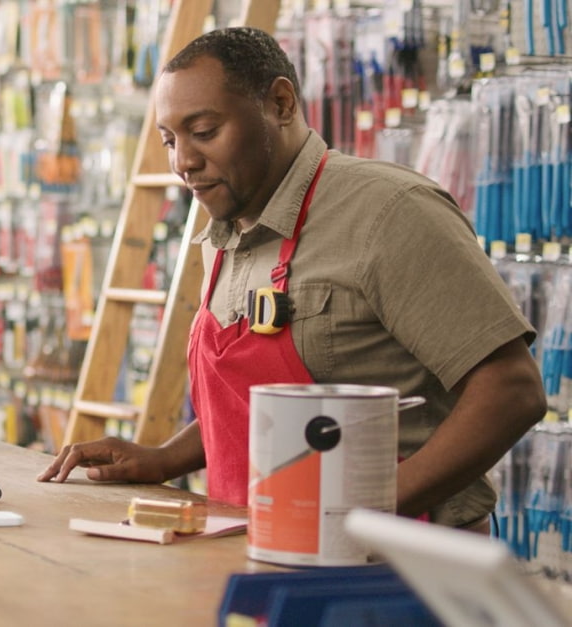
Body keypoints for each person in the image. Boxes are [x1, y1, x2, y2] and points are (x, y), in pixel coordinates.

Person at [38, 27, 545, 531]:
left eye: (205, 132)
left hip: (399, 564)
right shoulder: (229, 232)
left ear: (280, 103)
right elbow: (264, 405)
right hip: (271, 548)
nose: (183, 162)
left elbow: (511, 391)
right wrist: (164, 459)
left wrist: (367, 510)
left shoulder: (388, 213)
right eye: (170, 140)